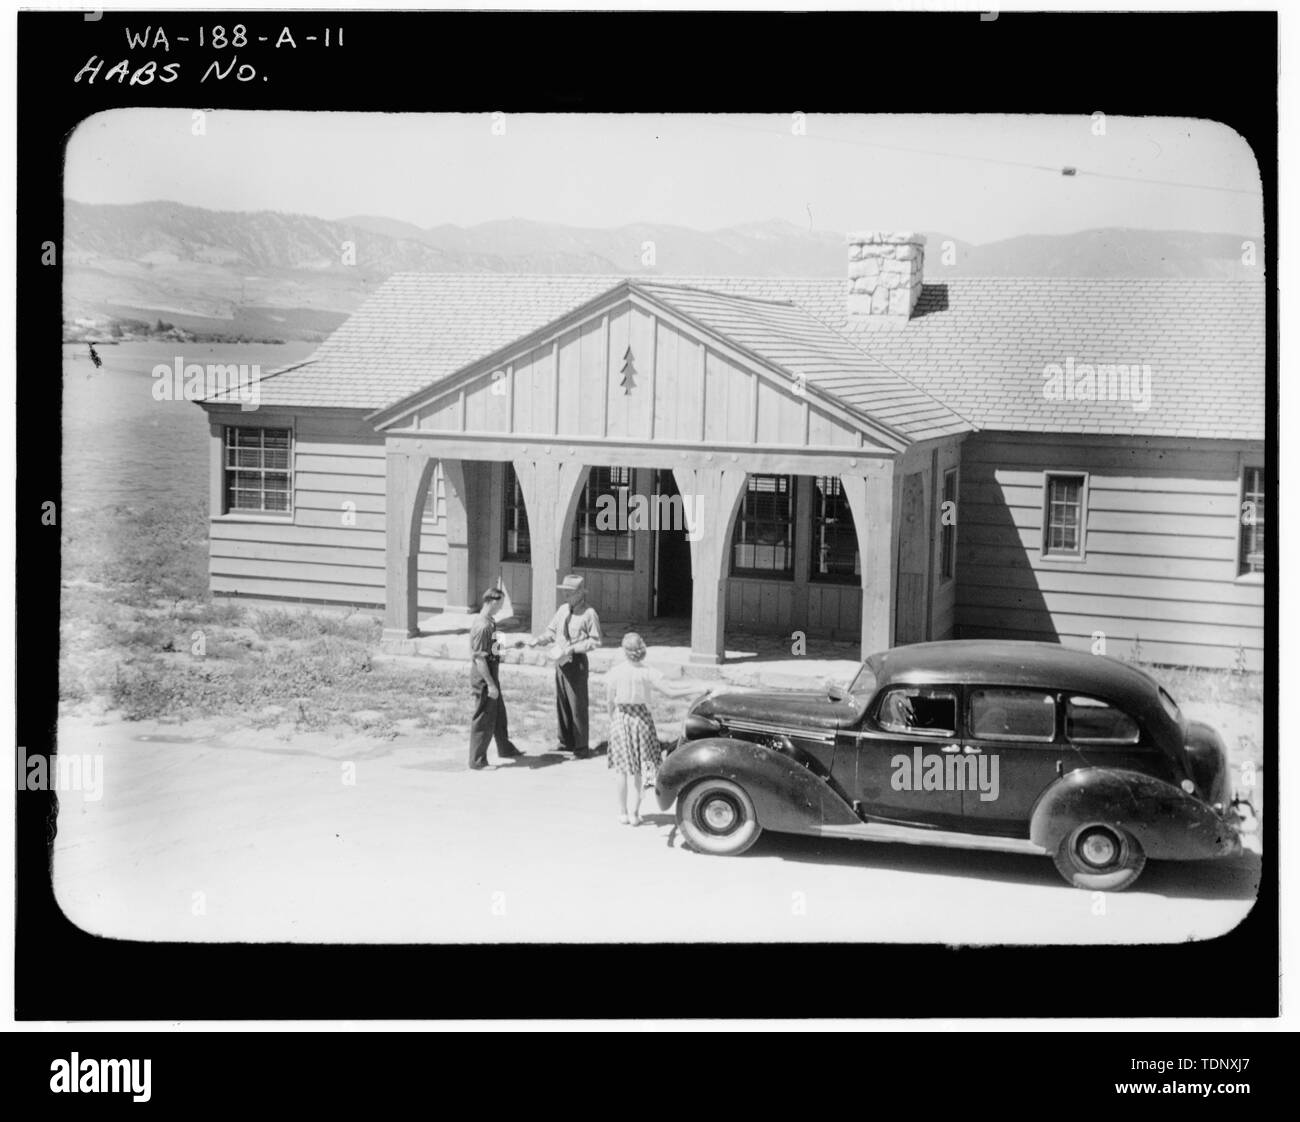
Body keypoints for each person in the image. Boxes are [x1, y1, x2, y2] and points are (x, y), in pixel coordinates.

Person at [604, 632, 698, 825]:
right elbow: (670, 692)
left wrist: (612, 717)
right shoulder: (648, 672)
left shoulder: (616, 672)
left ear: (624, 651)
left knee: (621, 770)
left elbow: (609, 700)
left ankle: (622, 812)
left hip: (621, 718)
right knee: (641, 769)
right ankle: (635, 813)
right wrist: (695, 689)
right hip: (642, 720)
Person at [530, 575, 601, 758]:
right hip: (560, 661)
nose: (565, 596)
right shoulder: (562, 610)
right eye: (564, 592)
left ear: (579, 594)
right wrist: (539, 640)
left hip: (576, 662)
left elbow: (595, 641)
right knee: (562, 702)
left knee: (577, 705)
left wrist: (573, 649)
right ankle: (565, 742)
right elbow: (552, 631)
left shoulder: (589, 614)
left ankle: (581, 747)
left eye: (569, 593)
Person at [467, 587, 525, 770]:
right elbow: (479, 658)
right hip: (484, 677)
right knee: (484, 717)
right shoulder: (482, 625)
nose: (501, 608)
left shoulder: (490, 621)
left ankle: (505, 748)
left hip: (492, 672)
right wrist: (491, 685)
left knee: (499, 714)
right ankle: (477, 761)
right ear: (492, 602)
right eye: (500, 604)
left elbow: (494, 650)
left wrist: (513, 646)